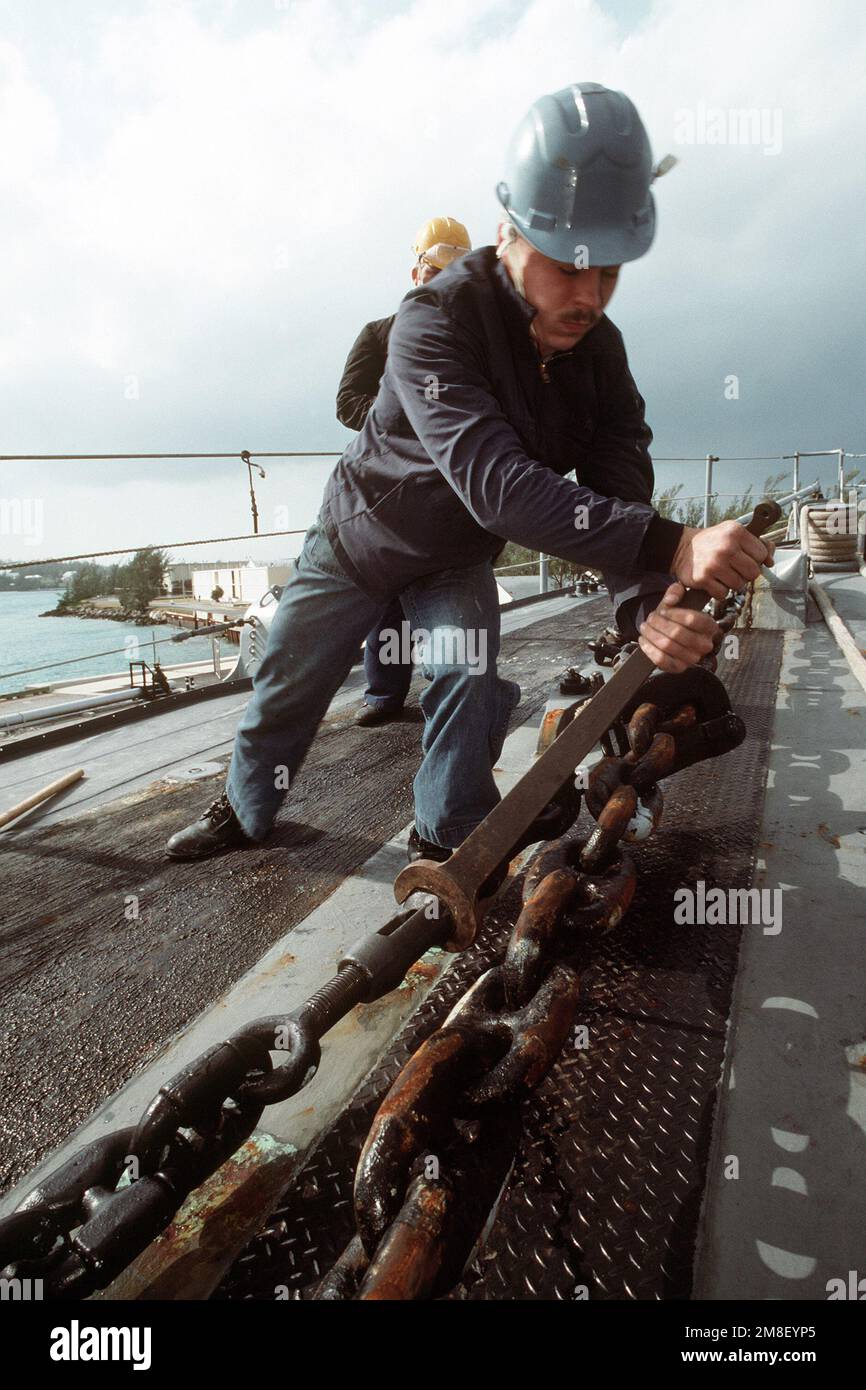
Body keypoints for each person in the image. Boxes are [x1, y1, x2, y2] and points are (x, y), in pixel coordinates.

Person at [166, 81, 771, 867]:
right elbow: (497, 483)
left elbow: (617, 479)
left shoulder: (599, 350)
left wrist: (645, 607)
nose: (588, 297)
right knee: (287, 682)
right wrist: (674, 543)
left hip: (455, 558)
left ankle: (447, 832)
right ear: (508, 234)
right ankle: (245, 811)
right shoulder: (434, 320)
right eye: (566, 265)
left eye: (609, 272)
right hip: (361, 540)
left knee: (466, 676)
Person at [336, 217, 472, 726]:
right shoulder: (377, 336)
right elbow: (347, 403)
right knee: (387, 597)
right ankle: (383, 693)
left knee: (449, 599)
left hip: (450, 494)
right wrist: (405, 410)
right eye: (435, 271)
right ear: (417, 271)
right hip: (387, 490)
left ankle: (448, 694)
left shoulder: (476, 347)